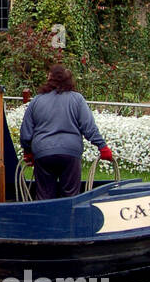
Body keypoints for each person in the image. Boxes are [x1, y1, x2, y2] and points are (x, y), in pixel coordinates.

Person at [19, 64, 112, 200]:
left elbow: (26, 131)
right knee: (70, 196)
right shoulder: (77, 99)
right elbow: (88, 126)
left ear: (49, 80)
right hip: (70, 153)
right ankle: (69, 219)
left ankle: (46, 220)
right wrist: (102, 146)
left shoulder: (37, 101)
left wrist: (27, 151)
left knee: (44, 196)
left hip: (43, 153)